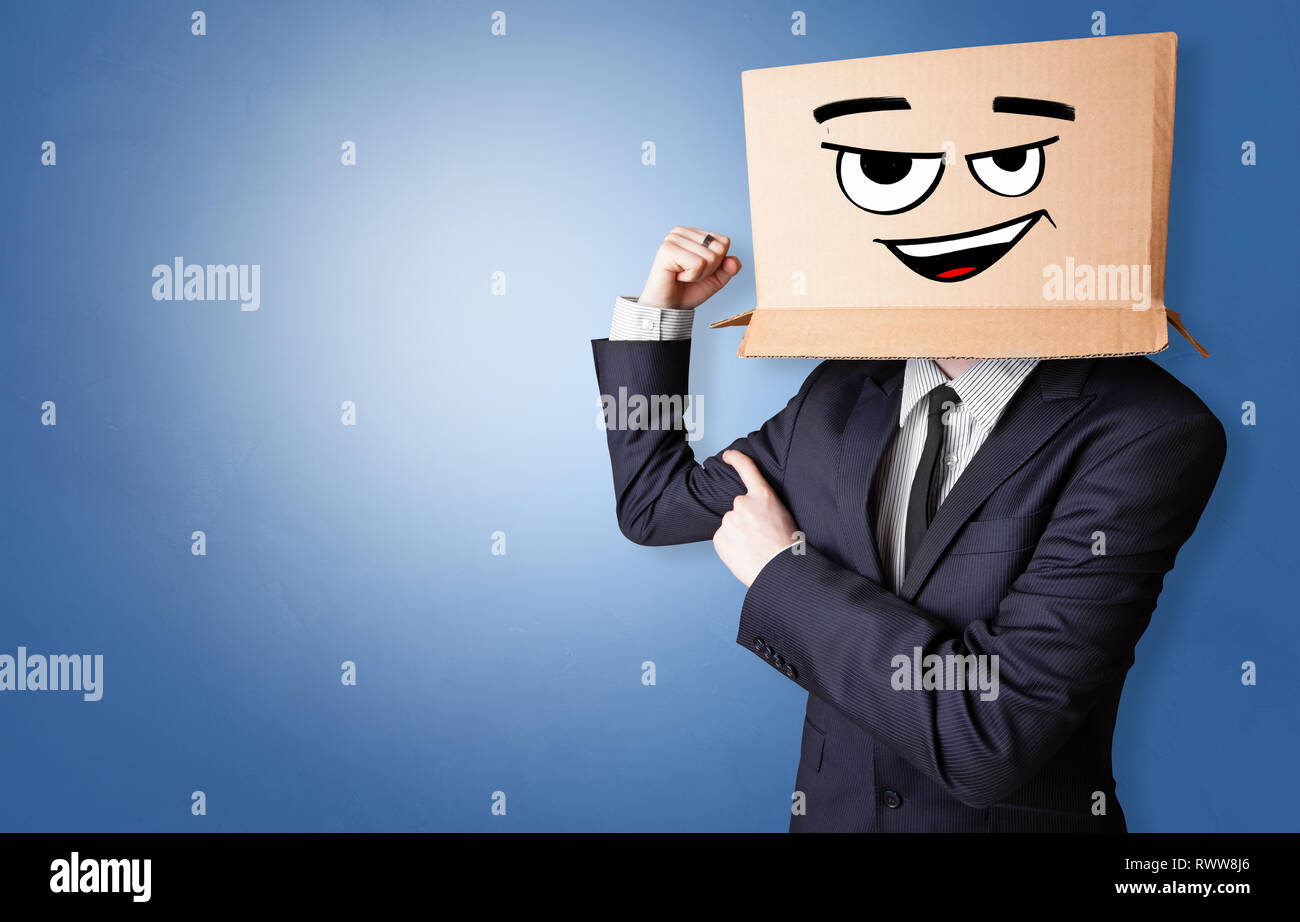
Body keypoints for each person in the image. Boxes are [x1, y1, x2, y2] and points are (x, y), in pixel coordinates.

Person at [592, 226, 1227, 832]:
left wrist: (780, 573)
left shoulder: (1149, 430)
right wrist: (660, 316)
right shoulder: (840, 391)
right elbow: (654, 504)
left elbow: (990, 733)